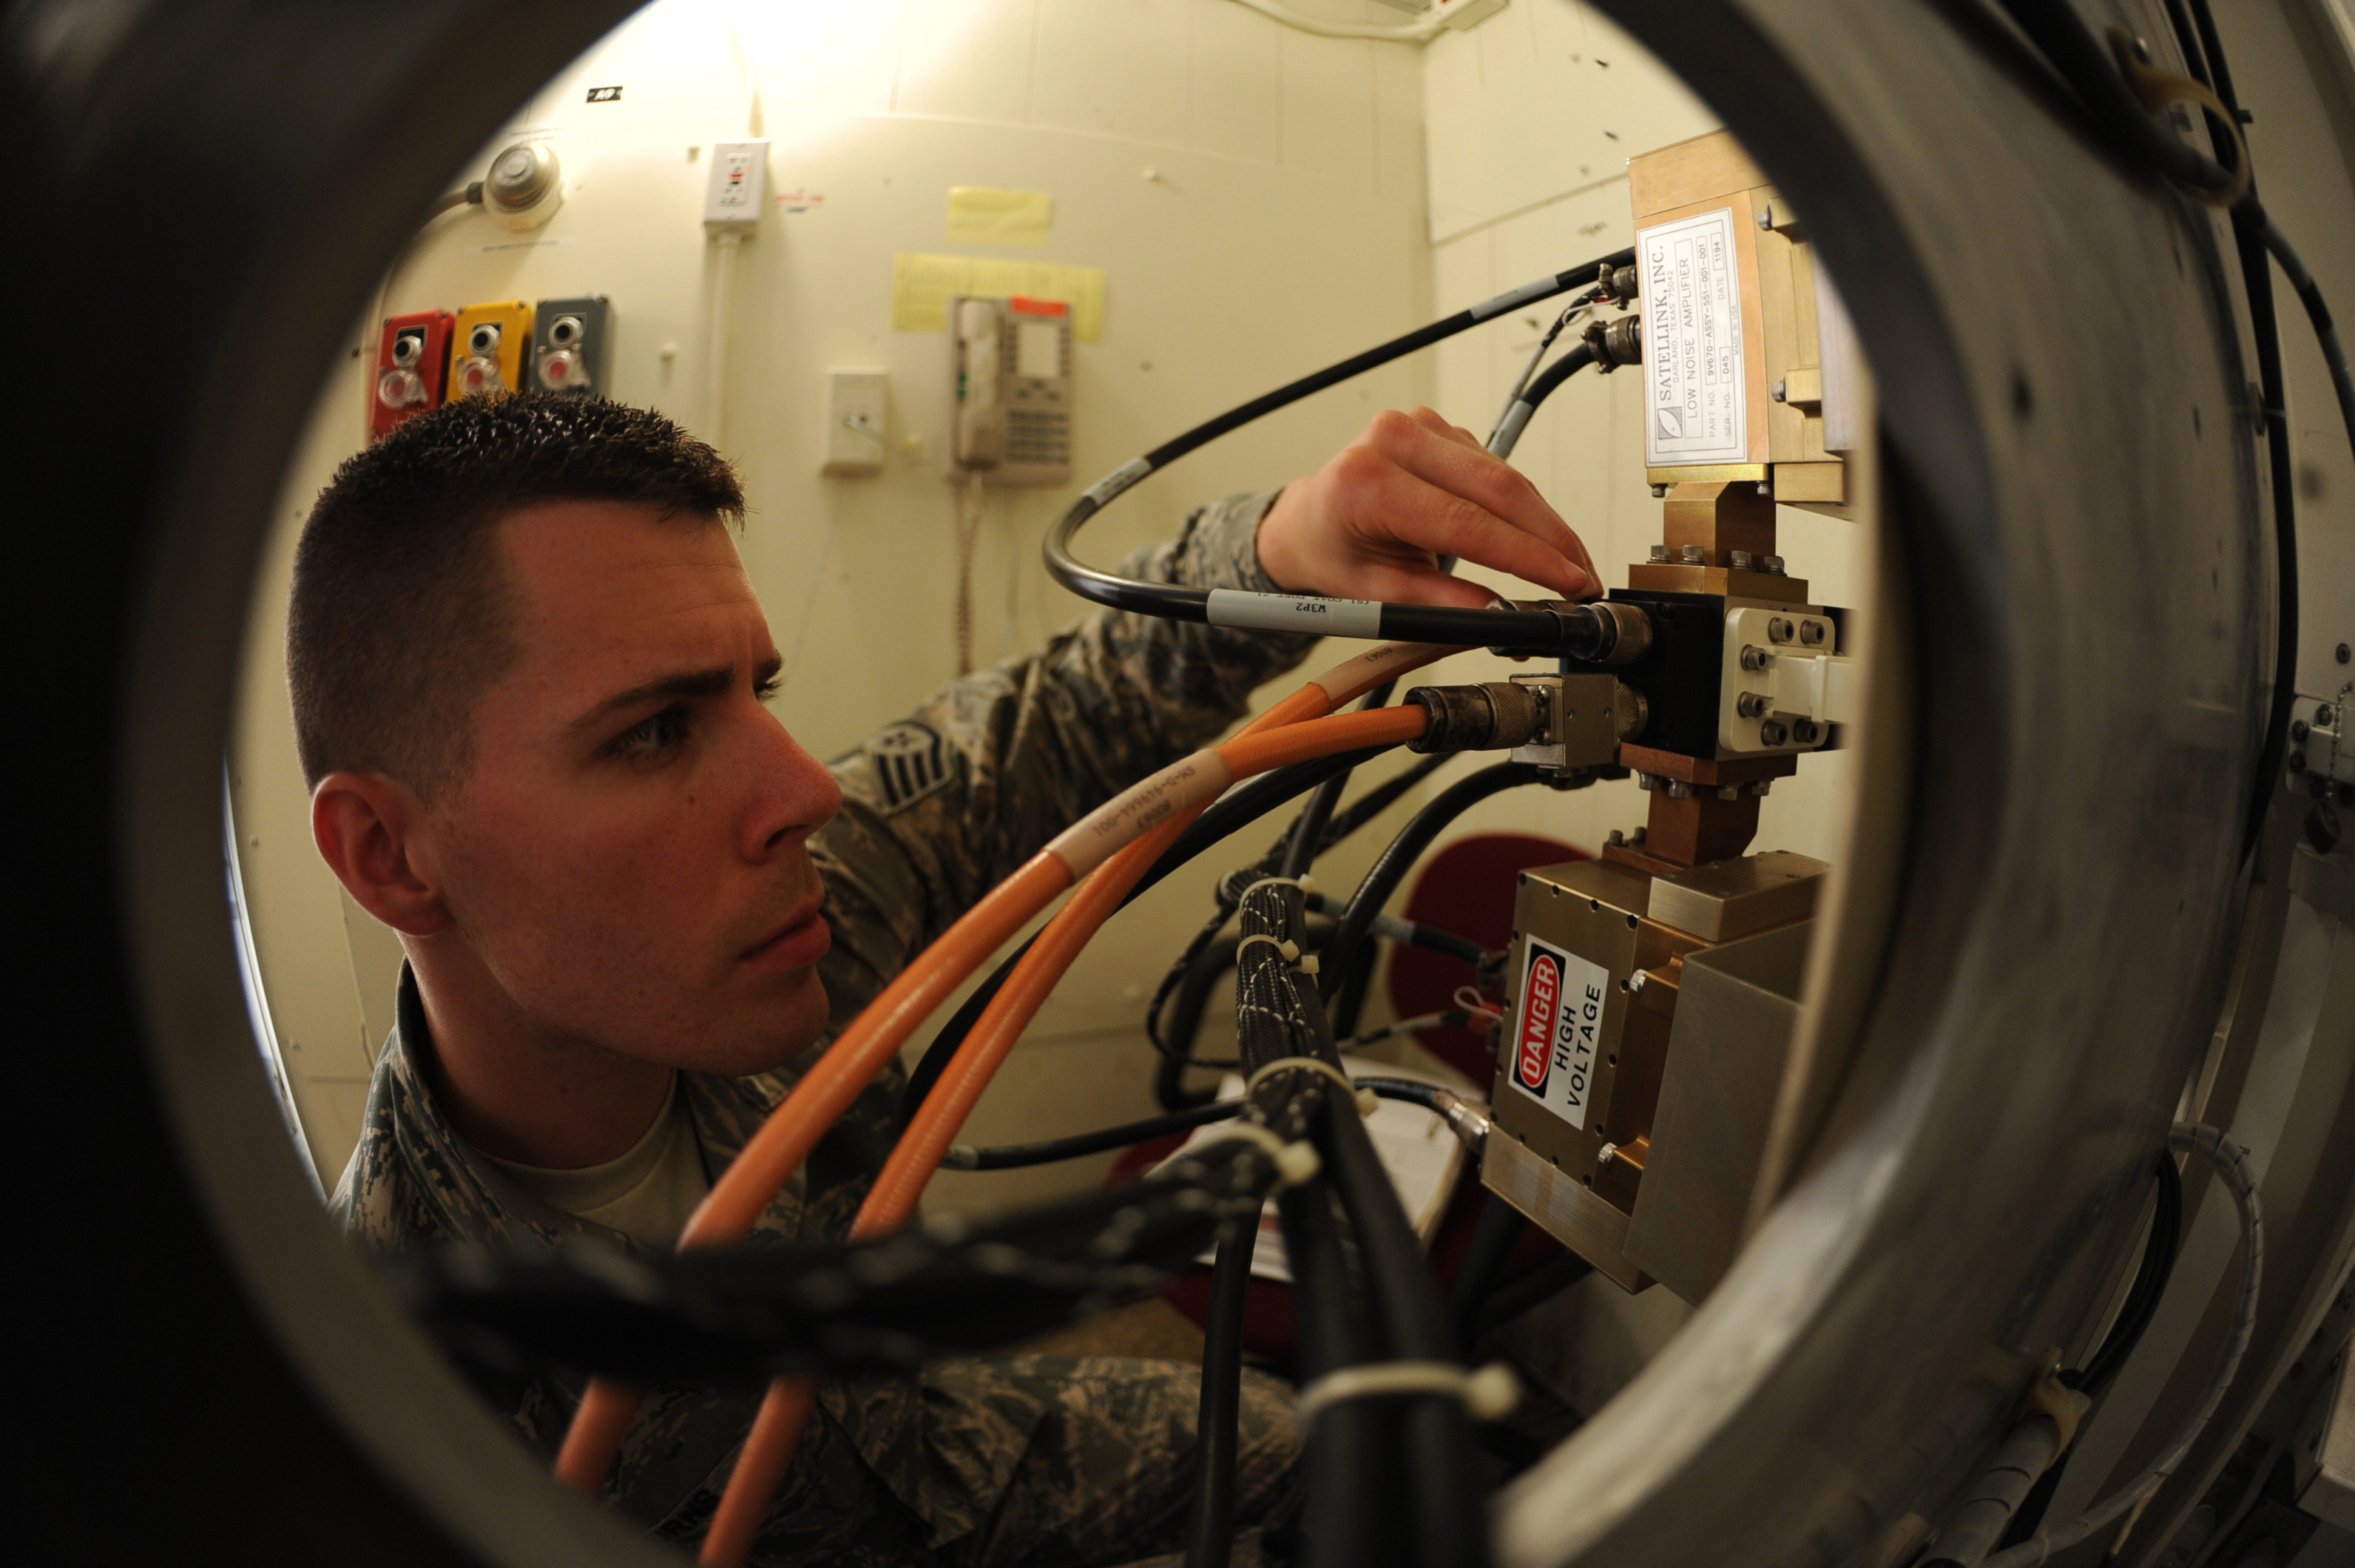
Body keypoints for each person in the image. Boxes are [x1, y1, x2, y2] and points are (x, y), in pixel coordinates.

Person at [302, 391, 1593, 1567]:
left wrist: (1276, 547)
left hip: (924, 1454)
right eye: (653, 732)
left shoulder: (806, 906)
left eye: (759, 690)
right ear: (390, 857)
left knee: (1320, 1455)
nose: (805, 794)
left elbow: (1058, 715)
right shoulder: (398, 1386)